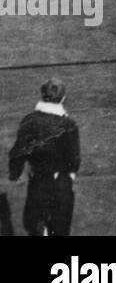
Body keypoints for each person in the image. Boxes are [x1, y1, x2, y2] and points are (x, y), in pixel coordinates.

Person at [8, 78, 80, 236]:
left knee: (35, 224)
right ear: (63, 98)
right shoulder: (69, 124)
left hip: (38, 181)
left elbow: (18, 151)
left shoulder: (30, 120)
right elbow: (74, 159)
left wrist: (16, 173)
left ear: (42, 95)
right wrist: (69, 176)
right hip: (61, 183)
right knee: (60, 228)